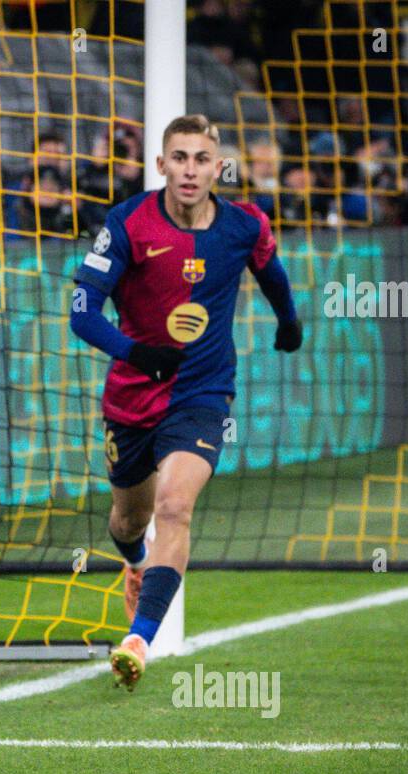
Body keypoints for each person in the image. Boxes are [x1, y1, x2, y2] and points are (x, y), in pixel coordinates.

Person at [68, 114, 303, 689]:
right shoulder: (127, 222)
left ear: (218, 166)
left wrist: (289, 321)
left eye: (202, 158)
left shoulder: (243, 226)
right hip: (132, 397)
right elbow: (81, 311)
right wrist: (136, 353)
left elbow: (272, 274)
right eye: (180, 157)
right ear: (161, 165)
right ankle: (134, 563)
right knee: (129, 520)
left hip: (203, 392)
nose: (191, 169)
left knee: (175, 508)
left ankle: (137, 641)